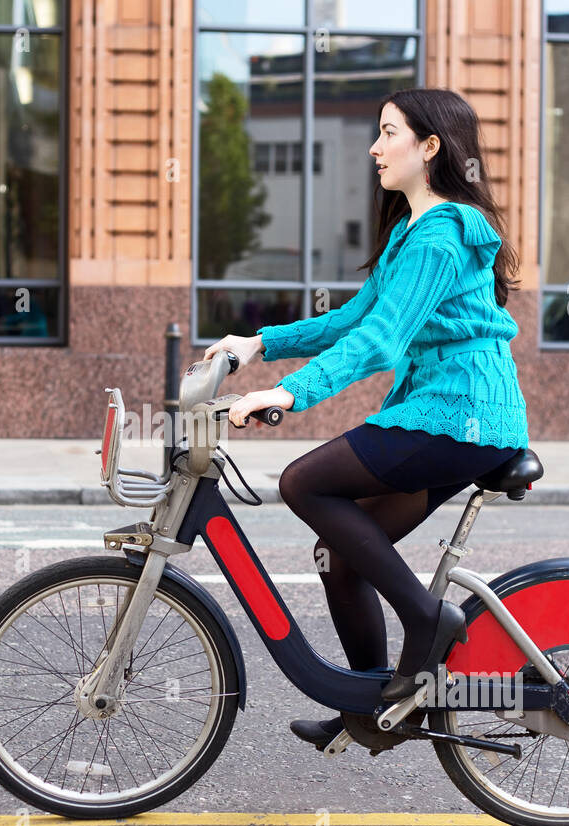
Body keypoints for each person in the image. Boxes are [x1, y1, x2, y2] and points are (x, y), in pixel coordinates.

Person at [203, 87, 530, 751]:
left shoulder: (442, 235)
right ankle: (374, 706)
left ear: (430, 147)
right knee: (340, 558)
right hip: (437, 413)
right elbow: (352, 319)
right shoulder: (414, 232)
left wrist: (291, 393)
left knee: (304, 483)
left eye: (388, 134)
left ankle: (425, 618)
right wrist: (258, 345)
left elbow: (380, 339)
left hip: (459, 417)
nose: (375, 149)